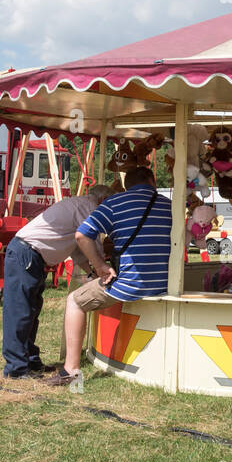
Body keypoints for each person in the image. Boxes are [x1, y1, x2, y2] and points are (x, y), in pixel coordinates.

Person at [44, 165, 172, 387]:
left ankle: (71, 371)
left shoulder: (115, 203)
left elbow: (82, 235)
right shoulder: (170, 205)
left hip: (131, 284)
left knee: (74, 301)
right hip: (165, 281)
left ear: (126, 185)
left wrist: (100, 265)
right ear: (152, 182)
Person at [0, 184, 112, 378]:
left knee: (31, 311)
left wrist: (93, 272)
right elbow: (89, 240)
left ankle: (30, 361)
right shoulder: (89, 207)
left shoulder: (81, 205)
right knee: (20, 312)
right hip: (27, 254)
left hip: (30, 255)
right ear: (103, 200)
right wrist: (102, 267)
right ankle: (16, 369)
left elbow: (79, 252)